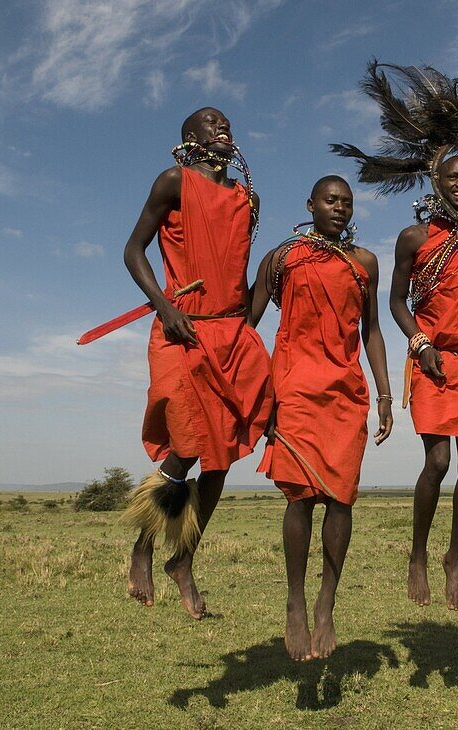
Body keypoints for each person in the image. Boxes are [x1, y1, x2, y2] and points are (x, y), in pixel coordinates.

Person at [332, 61, 458, 609]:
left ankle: (453, 557)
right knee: (438, 463)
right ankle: (417, 553)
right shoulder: (414, 237)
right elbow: (395, 301)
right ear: (436, 182)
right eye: (452, 179)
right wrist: (420, 343)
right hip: (432, 362)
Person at [121, 107, 272, 620]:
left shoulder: (246, 198)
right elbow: (133, 250)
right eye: (209, 121)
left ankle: (183, 559)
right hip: (181, 330)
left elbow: (239, 275)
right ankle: (144, 542)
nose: (222, 124)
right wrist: (166, 307)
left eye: (226, 120)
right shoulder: (172, 182)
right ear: (188, 137)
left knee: (221, 458)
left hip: (231, 335)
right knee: (185, 445)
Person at [249, 175, 393, 661]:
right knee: (299, 497)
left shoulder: (364, 263)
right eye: (331, 201)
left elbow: (372, 331)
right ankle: (294, 601)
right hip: (293, 387)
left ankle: (326, 602)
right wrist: (252, 390)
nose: (339, 208)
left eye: (347, 203)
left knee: (341, 497)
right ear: (310, 204)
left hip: (345, 393)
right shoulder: (283, 258)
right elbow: (248, 324)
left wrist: (386, 394)